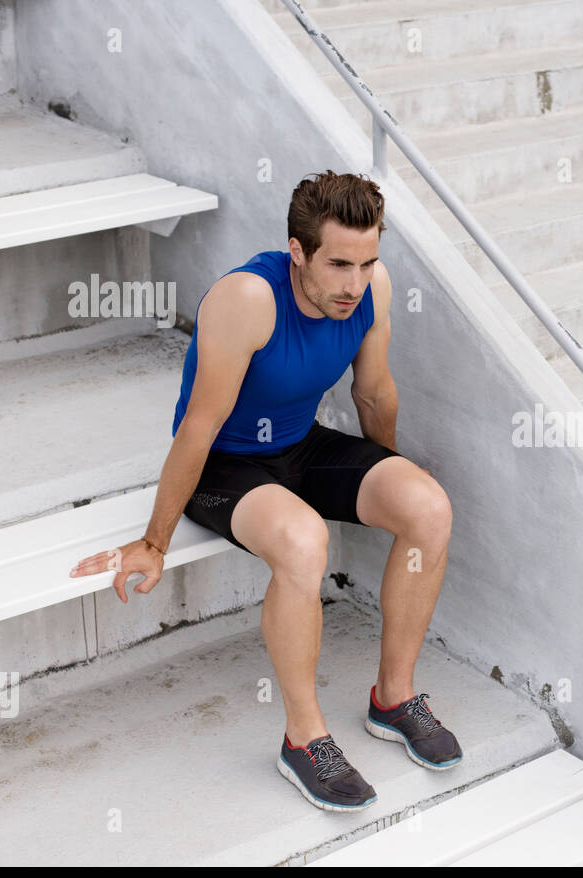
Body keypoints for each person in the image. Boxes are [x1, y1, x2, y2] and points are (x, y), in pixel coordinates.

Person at [68, 170, 460, 812]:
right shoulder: (248, 298)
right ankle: (305, 741)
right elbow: (199, 427)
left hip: (301, 445)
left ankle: (393, 697)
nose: (353, 283)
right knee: (304, 543)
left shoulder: (371, 288)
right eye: (337, 264)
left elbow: (373, 390)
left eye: (366, 263)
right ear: (298, 251)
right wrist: (153, 541)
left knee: (429, 507)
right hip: (225, 464)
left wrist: (386, 479)